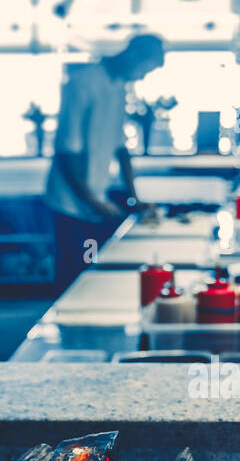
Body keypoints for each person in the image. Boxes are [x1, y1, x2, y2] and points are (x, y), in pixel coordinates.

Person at [44, 34, 165, 289]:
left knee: (93, 272)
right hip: (72, 201)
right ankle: (68, 326)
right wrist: (92, 201)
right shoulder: (83, 83)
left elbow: (121, 148)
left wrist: (134, 197)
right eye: (145, 70)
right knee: (75, 277)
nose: (143, 77)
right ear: (133, 55)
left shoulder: (119, 87)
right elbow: (68, 152)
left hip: (96, 197)